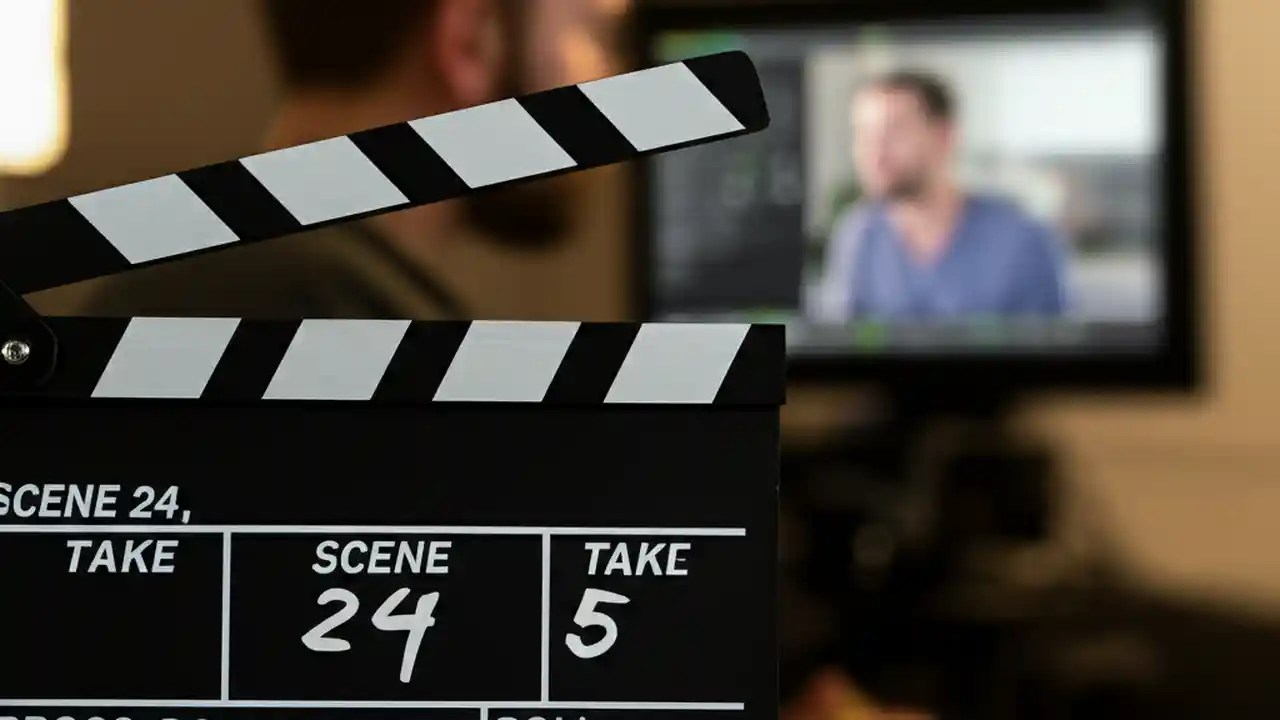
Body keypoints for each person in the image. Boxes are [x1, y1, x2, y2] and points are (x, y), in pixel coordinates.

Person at [32, 0, 585, 319]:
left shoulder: (172, 279)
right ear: (470, 43)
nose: (607, 70)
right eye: (593, 32)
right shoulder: (337, 318)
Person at [808, 71, 1069, 322]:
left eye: (895, 131)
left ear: (944, 137)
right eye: (863, 134)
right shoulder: (859, 235)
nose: (874, 151)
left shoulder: (1020, 239)